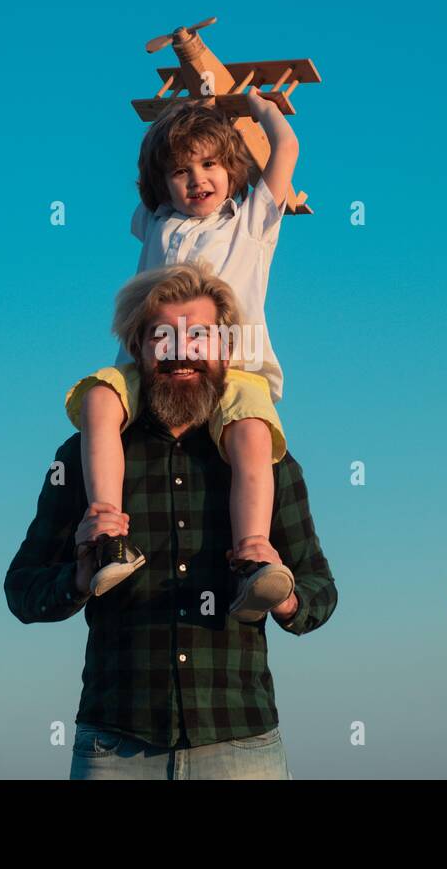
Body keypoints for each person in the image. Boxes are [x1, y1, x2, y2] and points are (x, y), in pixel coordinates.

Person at [5, 262, 337, 779]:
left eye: (199, 336)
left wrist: (287, 596)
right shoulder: (82, 459)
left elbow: (320, 587)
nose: (182, 351)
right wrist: (77, 574)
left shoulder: (267, 461)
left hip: (240, 740)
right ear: (137, 349)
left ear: (225, 350)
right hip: (115, 742)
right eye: (163, 336)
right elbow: (21, 590)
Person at [63, 92, 299, 619]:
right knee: (100, 398)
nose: (197, 179)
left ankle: (254, 557)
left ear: (232, 166)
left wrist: (256, 107)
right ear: (162, 183)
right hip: (157, 359)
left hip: (231, 363)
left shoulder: (251, 220)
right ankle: (108, 532)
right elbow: (151, 158)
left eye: (210, 164)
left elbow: (286, 148)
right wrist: (181, 112)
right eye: (181, 171)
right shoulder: (156, 220)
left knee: (251, 436)